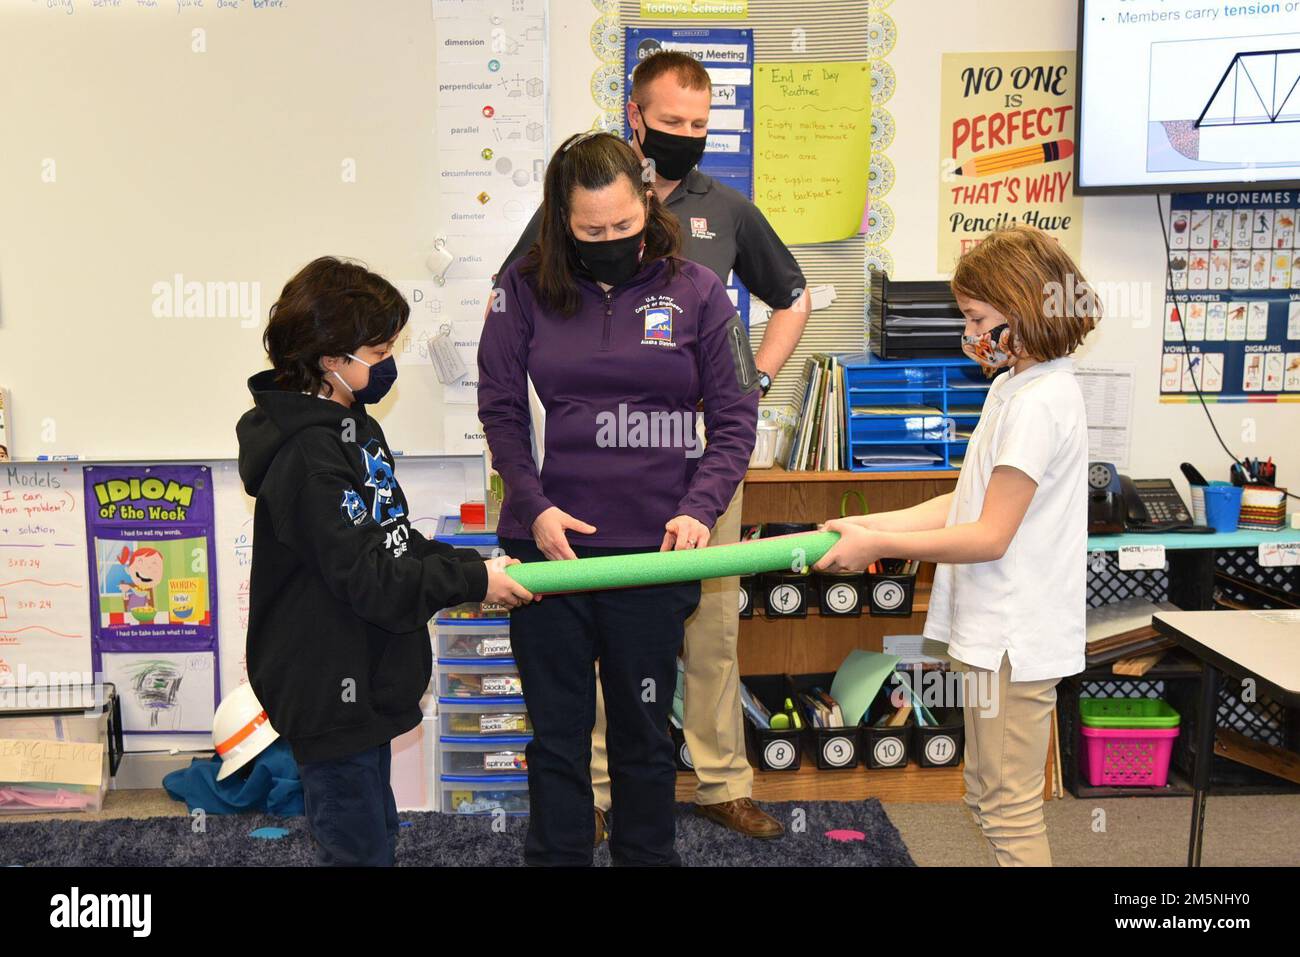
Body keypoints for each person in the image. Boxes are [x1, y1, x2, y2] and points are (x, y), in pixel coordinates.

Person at [495, 49, 808, 842]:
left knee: (643, 737)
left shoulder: (698, 290)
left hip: (660, 549)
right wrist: (532, 508)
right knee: (558, 740)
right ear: (561, 223)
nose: (609, 239)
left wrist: (701, 509)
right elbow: (500, 403)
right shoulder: (527, 287)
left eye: (625, 226)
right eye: (591, 230)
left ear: (647, 206)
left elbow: (735, 417)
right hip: (553, 549)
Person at [814, 226, 1099, 866]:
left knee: (1008, 808)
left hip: (1013, 641)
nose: (968, 333)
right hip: (991, 632)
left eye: (976, 318)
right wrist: (868, 529)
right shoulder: (1012, 387)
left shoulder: (1039, 402)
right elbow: (964, 504)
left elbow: (990, 536)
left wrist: (879, 543)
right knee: (985, 794)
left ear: (1025, 310)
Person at [237, 256, 533, 866]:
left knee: (377, 828)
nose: (390, 362)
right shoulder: (309, 460)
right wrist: (474, 579)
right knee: (356, 844)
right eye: (377, 350)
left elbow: (391, 540)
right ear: (331, 360)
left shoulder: (353, 428)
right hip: (327, 683)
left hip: (364, 674)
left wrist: (474, 565)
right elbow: (376, 579)